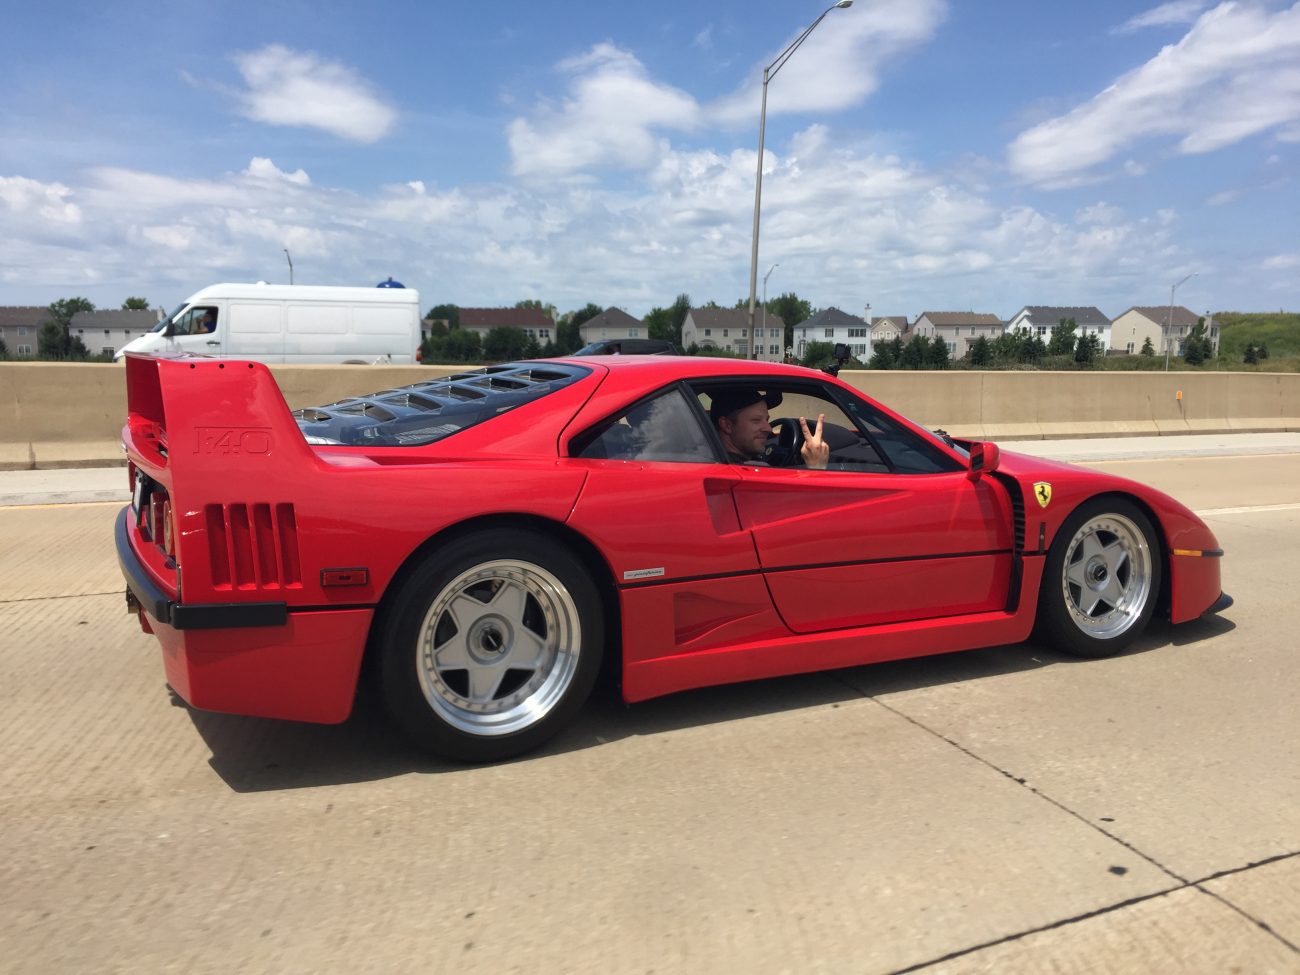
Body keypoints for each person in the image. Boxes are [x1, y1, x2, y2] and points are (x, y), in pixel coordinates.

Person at [709, 388, 829, 468]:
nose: (768, 429)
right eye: (756, 421)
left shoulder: (708, 458)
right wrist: (817, 466)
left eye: (766, 420)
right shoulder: (749, 471)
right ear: (727, 425)